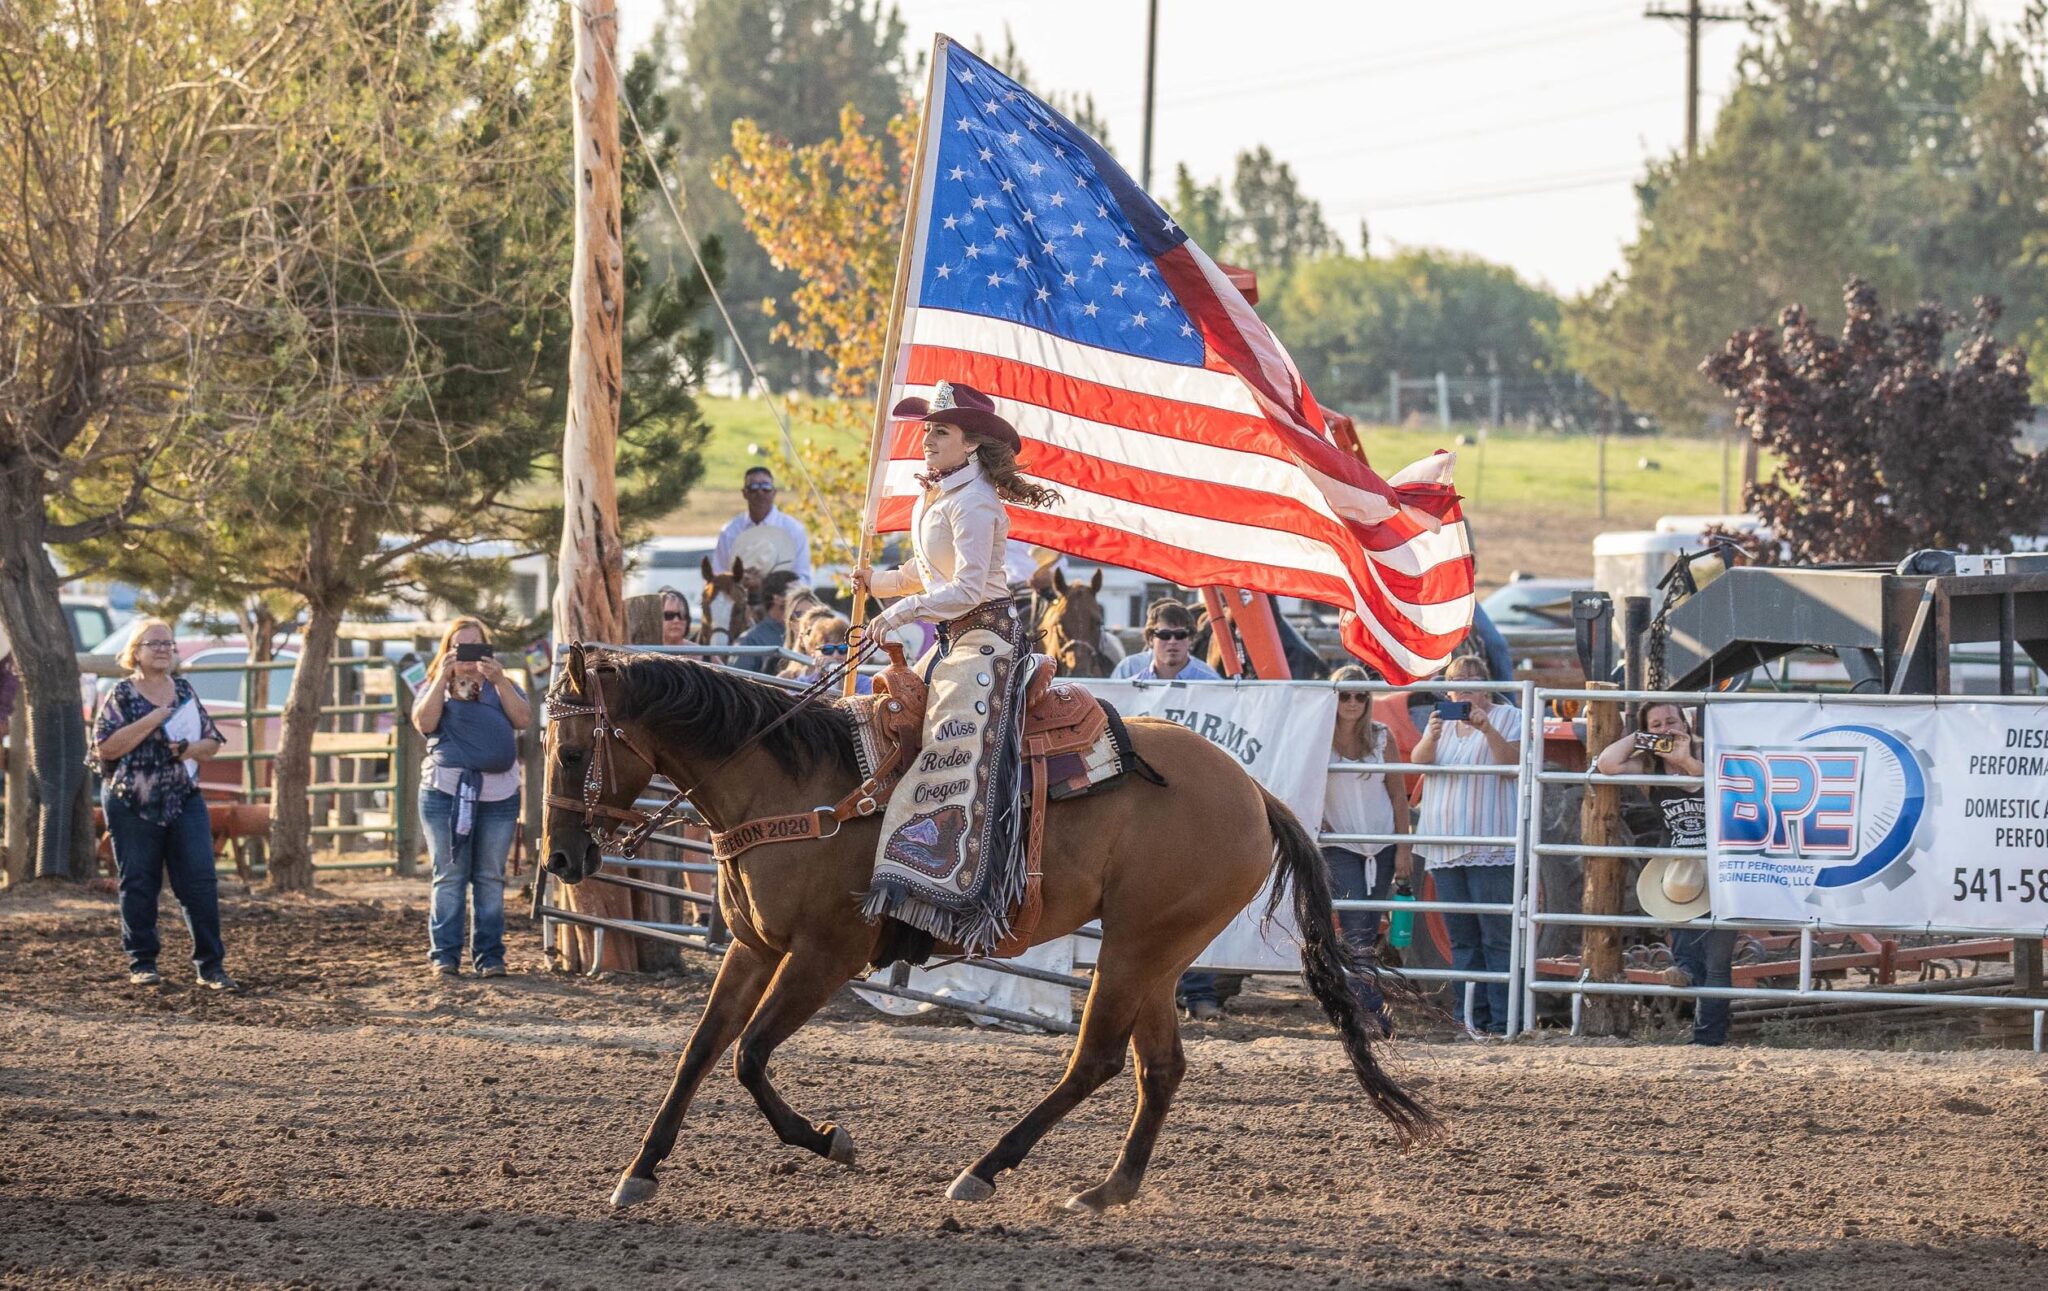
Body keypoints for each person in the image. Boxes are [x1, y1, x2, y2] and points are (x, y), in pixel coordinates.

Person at [852, 380, 1061, 953]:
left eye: (939, 431)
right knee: (883, 714)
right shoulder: (938, 494)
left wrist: (900, 610)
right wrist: (881, 583)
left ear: (970, 443)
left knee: (952, 746)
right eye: (927, 430)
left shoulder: (975, 501)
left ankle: (941, 884)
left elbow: (967, 586)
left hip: (985, 640)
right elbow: (929, 574)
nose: (927, 439)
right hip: (951, 638)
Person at [91, 618, 235, 990]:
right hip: (132, 799)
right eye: (154, 643)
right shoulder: (122, 694)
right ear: (135, 652)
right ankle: (142, 962)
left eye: (168, 644)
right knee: (139, 880)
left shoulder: (184, 690)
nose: (162, 649)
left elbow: (212, 743)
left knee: (199, 880)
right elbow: (105, 747)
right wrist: (153, 720)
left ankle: (211, 966)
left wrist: (187, 749)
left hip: (182, 796)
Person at [1598, 702, 1727, 1044]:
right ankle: (1684, 973)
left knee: (1717, 960)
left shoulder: (1709, 752)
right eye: (1656, 724)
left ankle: (1708, 1038)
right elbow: (1607, 763)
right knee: (1688, 946)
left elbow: (1723, 783)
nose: (1665, 728)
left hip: (1721, 867)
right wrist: (1642, 738)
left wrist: (1683, 756)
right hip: (1679, 874)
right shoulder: (1649, 767)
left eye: (1671, 720)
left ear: (1685, 722)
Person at [410, 617, 530, 978]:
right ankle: (444, 956)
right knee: (449, 875)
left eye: (475, 647)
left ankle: (490, 956)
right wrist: (441, 680)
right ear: (447, 649)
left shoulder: (502, 684)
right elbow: (424, 723)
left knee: (490, 877)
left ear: (487, 650)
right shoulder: (437, 685)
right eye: (459, 647)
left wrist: (499, 680)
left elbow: (523, 719)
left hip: (499, 794)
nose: (467, 656)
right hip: (445, 792)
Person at [1411, 654, 1523, 1038]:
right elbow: (1419, 762)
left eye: (1473, 683)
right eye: (1458, 683)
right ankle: (1467, 1018)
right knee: (1461, 939)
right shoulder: (1441, 724)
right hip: (1443, 845)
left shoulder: (1510, 718)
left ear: (1487, 687)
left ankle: (1502, 1020)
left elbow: (1513, 764)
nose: (1465, 689)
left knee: (1496, 936)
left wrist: (1487, 729)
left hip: (1490, 842)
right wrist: (1432, 733)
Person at [1323, 664, 1414, 1025]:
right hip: (1340, 844)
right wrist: (1321, 824)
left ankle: (1360, 1004)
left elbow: (1398, 795)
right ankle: (1369, 1010)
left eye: (1361, 695)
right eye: (1345, 695)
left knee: (1369, 925)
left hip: (1381, 843)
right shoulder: (1318, 739)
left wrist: (1403, 845)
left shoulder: (1381, 737)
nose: (1353, 702)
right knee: (1356, 926)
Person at [712, 466, 813, 584]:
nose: (760, 493)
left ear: (774, 492)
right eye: (753, 488)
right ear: (745, 493)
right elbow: (719, 575)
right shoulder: (730, 532)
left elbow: (803, 579)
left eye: (766, 487)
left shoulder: (794, 530)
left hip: (781, 599)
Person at [1111, 599, 1221, 681]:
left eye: (1180, 635)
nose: (1172, 641)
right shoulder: (1129, 686)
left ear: (1190, 639)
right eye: (1164, 635)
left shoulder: (1211, 684)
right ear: (1150, 640)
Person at [736, 569, 802, 674]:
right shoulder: (751, 639)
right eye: (797, 595)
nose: (803, 600)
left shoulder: (808, 632)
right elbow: (740, 682)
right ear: (777, 598)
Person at [787, 610, 871, 693]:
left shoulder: (864, 683)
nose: (836, 655)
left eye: (843, 649)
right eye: (827, 649)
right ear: (813, 651)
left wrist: (840, 683)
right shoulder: (800, 684)